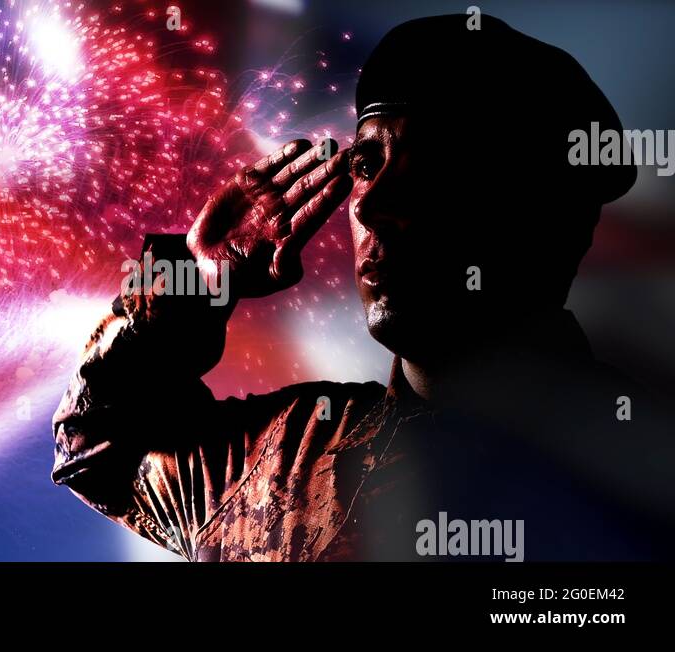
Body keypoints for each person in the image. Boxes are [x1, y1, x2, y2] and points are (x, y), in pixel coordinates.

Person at [50, 14, 673, 560]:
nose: (372, 207)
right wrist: (191, 287)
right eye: (365, 166)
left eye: (439, 165)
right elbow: (98, 450)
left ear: (549, 217)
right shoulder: (284, 456)